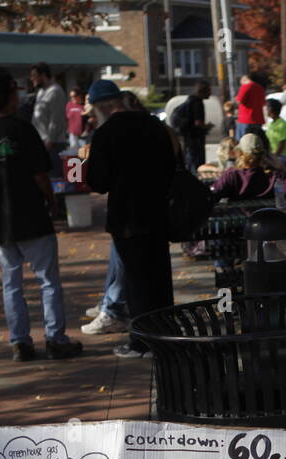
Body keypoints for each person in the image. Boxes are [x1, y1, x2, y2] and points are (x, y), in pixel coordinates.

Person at [0, 69, 82, 361]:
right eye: (15, 93)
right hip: (30, 215)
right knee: (48, 280)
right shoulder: (22, 129)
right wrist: (51, 200)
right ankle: (55, 339)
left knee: (12, 283)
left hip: (0, 221)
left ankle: (20, 341)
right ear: (9, 97)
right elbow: (39, 174)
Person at [83, 78, 175, 359]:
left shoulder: (106, 133)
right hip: (158, 213)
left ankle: (141, 342)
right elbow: (172, 165)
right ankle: (166, 336)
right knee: (159, 279)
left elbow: (98, 182)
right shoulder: (154, 126)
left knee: (136, 284)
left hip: (127, 217)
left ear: (100, 106)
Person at [209, 134, 283, 200]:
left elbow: (211, 194)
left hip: (237, 214)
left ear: (240, 153)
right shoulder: (274, 176)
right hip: (265, 215)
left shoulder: (232, 175)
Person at [30, 62, 68, 168]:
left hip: (52, 145)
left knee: (55, 180)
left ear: (43, 75)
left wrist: (48, 145)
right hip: (42, 143)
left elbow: (56, 121)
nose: (31, 78)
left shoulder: (55, 91)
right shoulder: (41, 92)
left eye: (34, 75)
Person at [170, 82, 212, 173]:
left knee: (189, 159)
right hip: (195, 137)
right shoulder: (198, 103)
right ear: (203, 91)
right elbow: (198, 122)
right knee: (196, 162)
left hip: (188, 136)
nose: (210, 93)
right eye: (209, 91)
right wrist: (207, 126)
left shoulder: (190, 101)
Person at [234, 73, 265, 140]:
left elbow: (239, 101)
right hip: (258, 119)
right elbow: (263, 103)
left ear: (244, 79)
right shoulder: (260, 88)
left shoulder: (245, 87)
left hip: (245, 119)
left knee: (243, 141)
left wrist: (236, 98)